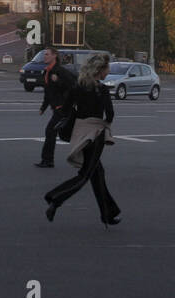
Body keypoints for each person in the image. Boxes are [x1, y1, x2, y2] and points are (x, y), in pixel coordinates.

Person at [45, 54, 120, 226]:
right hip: (95, 134)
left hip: (79, 133)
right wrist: (104, 126)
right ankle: (55, 199)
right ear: (99, 71)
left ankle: (108, 214)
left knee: (97, 173)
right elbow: (110, 115)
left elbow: (64, 110)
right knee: (85, 174)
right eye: (107, 69)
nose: (108, 72)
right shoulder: (101, 90)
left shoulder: (77, 87)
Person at [34, 48, 76, 168]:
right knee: (59, 132)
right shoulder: (47, 72)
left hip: (63, 108)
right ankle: (47, 160)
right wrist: (43, 107)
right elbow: (48, 93)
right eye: (44, 55)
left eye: (47, 55)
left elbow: (73, 84)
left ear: (54, 56)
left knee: (51, 131)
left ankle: (48, 160)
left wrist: (59, 81)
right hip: (57, 108)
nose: (44, 57)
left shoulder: (60, 71)